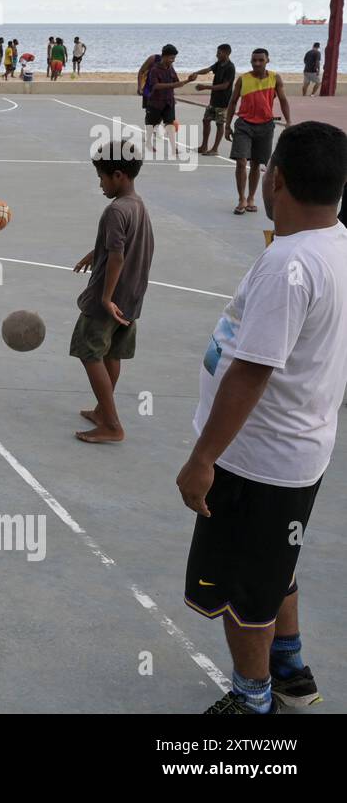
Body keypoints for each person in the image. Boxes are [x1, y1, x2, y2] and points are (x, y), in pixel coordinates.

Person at [177, 121, 347, 714]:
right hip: (300, 452)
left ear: (276, 179)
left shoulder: (289, 266)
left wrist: (203, 459)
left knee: (245, 590)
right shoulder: (333, 244)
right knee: (277, 563)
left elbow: (251, 372)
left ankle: (253, 702)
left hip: (258, 460)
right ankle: (290, 666)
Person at [70, 134, 154, 444]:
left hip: (109, 300)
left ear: (118, 175)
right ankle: (102, 410)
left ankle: (112, 424)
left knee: (89, 353)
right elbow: (121, 245)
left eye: (102, 177)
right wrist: (95, 253)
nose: (100, 184)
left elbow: (118, 255)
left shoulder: (116, 210)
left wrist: (104, 297)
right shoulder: (137, 205)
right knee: (111, 353)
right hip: (132, 297)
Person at [225, 48, 292, 215]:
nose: (257, 63)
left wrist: (289, 121)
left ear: (267, 60)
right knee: (241, 161)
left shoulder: (275, 78)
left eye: (261, 60)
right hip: (244, 125)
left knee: (256, 163)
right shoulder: (243, 79)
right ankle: (241, 198)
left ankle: (251, 198)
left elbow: (283, 100)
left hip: (265, 126)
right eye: (254, 60)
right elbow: (232, 102)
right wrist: (227, 125)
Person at [141, 44, 199, 161]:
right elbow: (155, 86)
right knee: (152, 124)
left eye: (174, 58)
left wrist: (189, 79)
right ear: (164, 56)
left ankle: (174, 147)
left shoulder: (171, 68)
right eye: (171, 58)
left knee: (170, 124)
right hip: (155, 102)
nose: (173, 60)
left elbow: (177, 82)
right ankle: (148, 143)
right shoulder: (154, 70)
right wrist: (173, 85)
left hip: (168, 102)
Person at [194, 43, 235, 157]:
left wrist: (205, 87)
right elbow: (207, 69)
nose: (217, 55)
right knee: (206, 120)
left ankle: (215, 148)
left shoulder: (230, 67)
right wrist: (196, 73)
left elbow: (225, 86)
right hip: (214, 100)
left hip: (223, 102)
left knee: (219, 124)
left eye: (219, 53)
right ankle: (204, 146)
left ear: (226, 53)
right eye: (217, 52)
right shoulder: (219, 63)